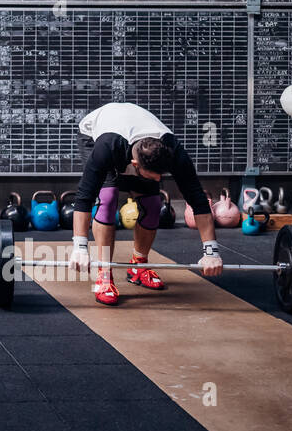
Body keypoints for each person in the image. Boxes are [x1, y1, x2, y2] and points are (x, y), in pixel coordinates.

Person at [68, 102, 223, 306]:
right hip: (93, 133)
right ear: (134, 165)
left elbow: (197, 198)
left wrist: (211, 251)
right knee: (107, 198)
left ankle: (138, 267)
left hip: (136, 140)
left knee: (152, 204)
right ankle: (104, 274)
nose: (159, 179)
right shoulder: (107, 147)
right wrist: (79, 247)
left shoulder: (173, 151)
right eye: (154, 174)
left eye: (162, 174)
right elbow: (84, 198)